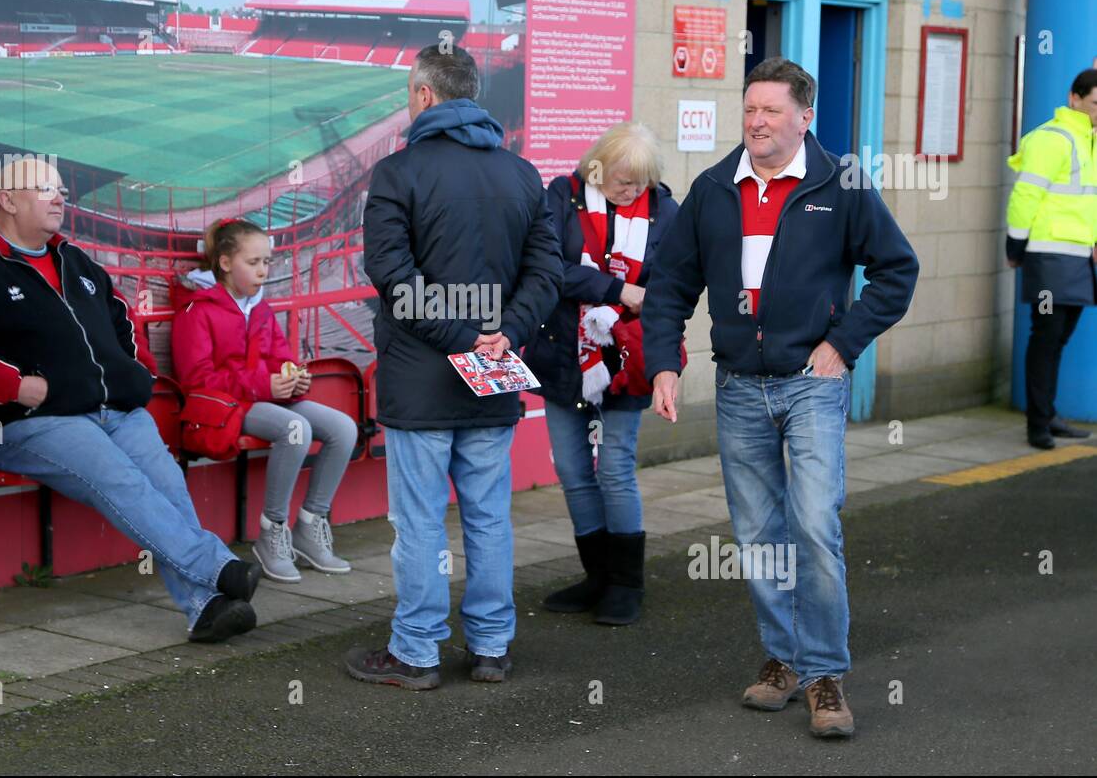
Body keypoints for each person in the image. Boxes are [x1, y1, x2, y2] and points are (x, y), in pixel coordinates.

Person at [642, 57, 919, 738]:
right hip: (739, 385)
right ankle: (782, 659)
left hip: (812, 384)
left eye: (771, 110)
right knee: (759, 534)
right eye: (750, 109)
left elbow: (896, 269)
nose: (757, 121)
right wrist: (664, 364)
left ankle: (825, 673)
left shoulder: (840, 182)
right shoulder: (713, 190)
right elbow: (671, 284)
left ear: (804, 116)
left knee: (815, 522)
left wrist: (843, 344)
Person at [0, 158, 261, 642]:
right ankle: (217, 567)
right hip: (33, 422)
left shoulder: (75, 260)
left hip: (116, 409)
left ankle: (205, 606)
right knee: (122, 480)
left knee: (167, 482)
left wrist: (137, 373)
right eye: (45, 189)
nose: (60, 198)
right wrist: (14, 386)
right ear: (8, 199)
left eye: (61, 190)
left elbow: (124, 322)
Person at [345, 43, 562, 689]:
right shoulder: (522, 174)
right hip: (493, 376)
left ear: (423, 96)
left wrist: (465, 337)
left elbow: (392, 277)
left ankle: (416, 650)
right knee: (489, 515)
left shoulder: (398, 173)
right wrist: (503, 333)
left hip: (422, 379)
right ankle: (492, 646)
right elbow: (545, 272)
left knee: (418, 520)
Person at [523, 122, 680, 626]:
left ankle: (626, 583)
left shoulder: (663, 209)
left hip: (627, 357)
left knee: (614, 470)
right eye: (621, 181)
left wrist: (635, 307)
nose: (631, 191)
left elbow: (673, 285)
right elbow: (550, 268)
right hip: (563, 351)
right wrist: (618, 291)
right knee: (572, 470)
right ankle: (596, 575)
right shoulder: (561, 196)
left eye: (639, 182)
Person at [170, 217, 357, 581]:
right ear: (225, 264)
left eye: (266, 262)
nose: (263, 270)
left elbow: (279, 356)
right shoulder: (198, 310)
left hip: (264, 397)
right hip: (225, 406)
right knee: (295, 428)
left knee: (344, 428)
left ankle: (309, 525)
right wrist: (264, 385)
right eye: (253, 262)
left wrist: (293, 377)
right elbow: (197, 380)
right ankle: (272, 533)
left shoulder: (260, 307)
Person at [1005, 68, 1097, 449]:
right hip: (1048, 256)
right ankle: (1038, 425)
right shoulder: (1053, 138)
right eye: (1095, 103)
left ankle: (1048, 414)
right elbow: (1026, 195)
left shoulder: (1088, 139)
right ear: (1073, 98)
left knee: (1058, 339)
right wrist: (1015, 246)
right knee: (1046, 338)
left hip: (1077, 258)